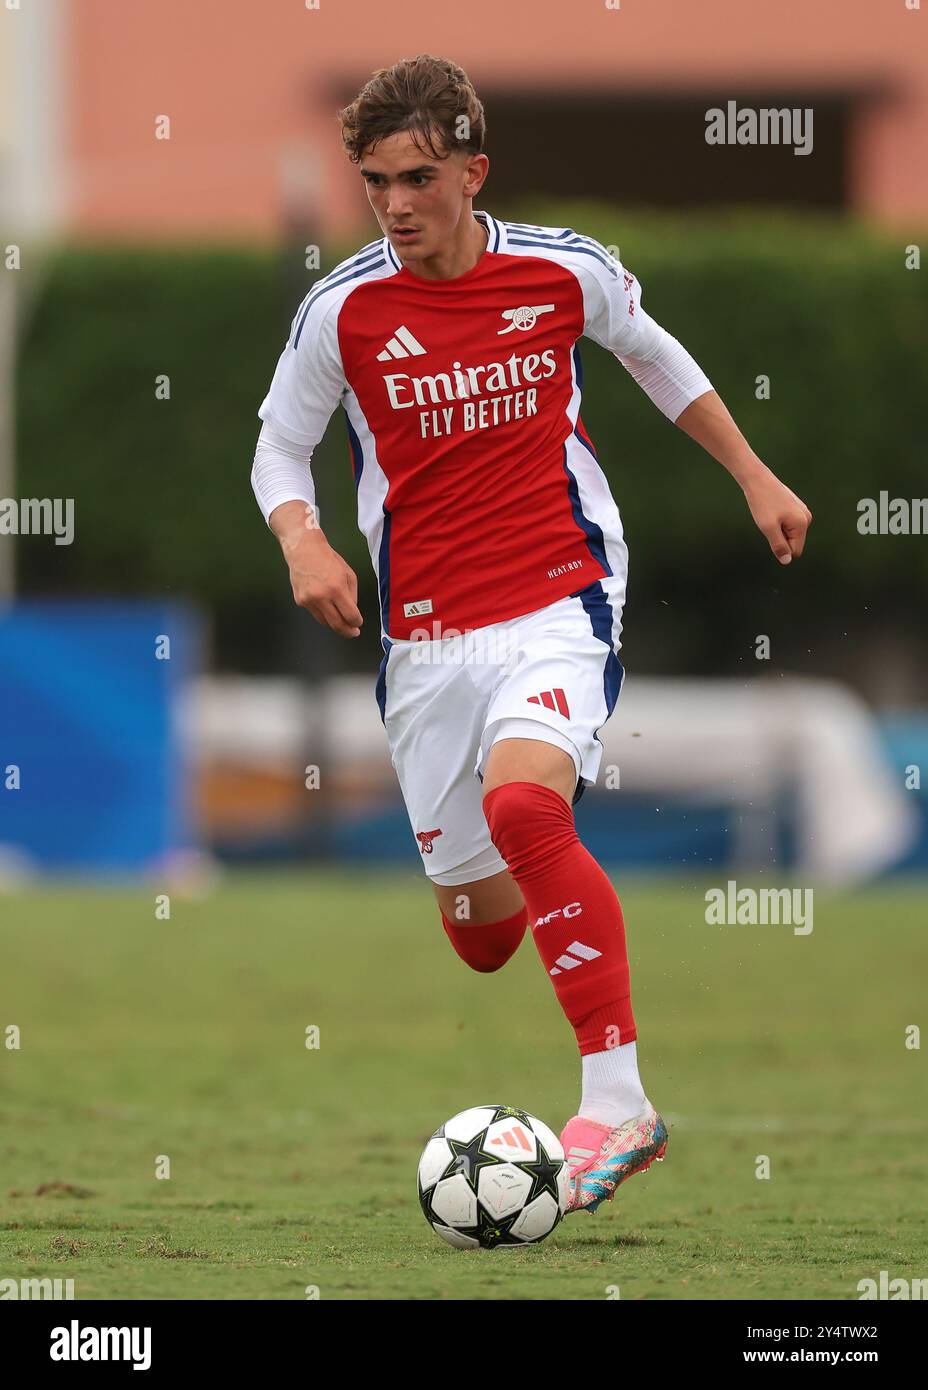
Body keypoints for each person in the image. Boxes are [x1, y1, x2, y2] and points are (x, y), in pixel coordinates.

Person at [251, 54, 812, 1215]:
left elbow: (652, 353)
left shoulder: (563, 270)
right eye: (373, 182)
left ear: (472, 170)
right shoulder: (342, 310)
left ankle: (616, 1100)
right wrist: (303, 540)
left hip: (559, 592)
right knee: (482, 938)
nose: (396, 204)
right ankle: (536, 838)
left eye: (417, 177)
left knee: (522, 808)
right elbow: (277, 447)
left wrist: (754, 474)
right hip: (426, 642)